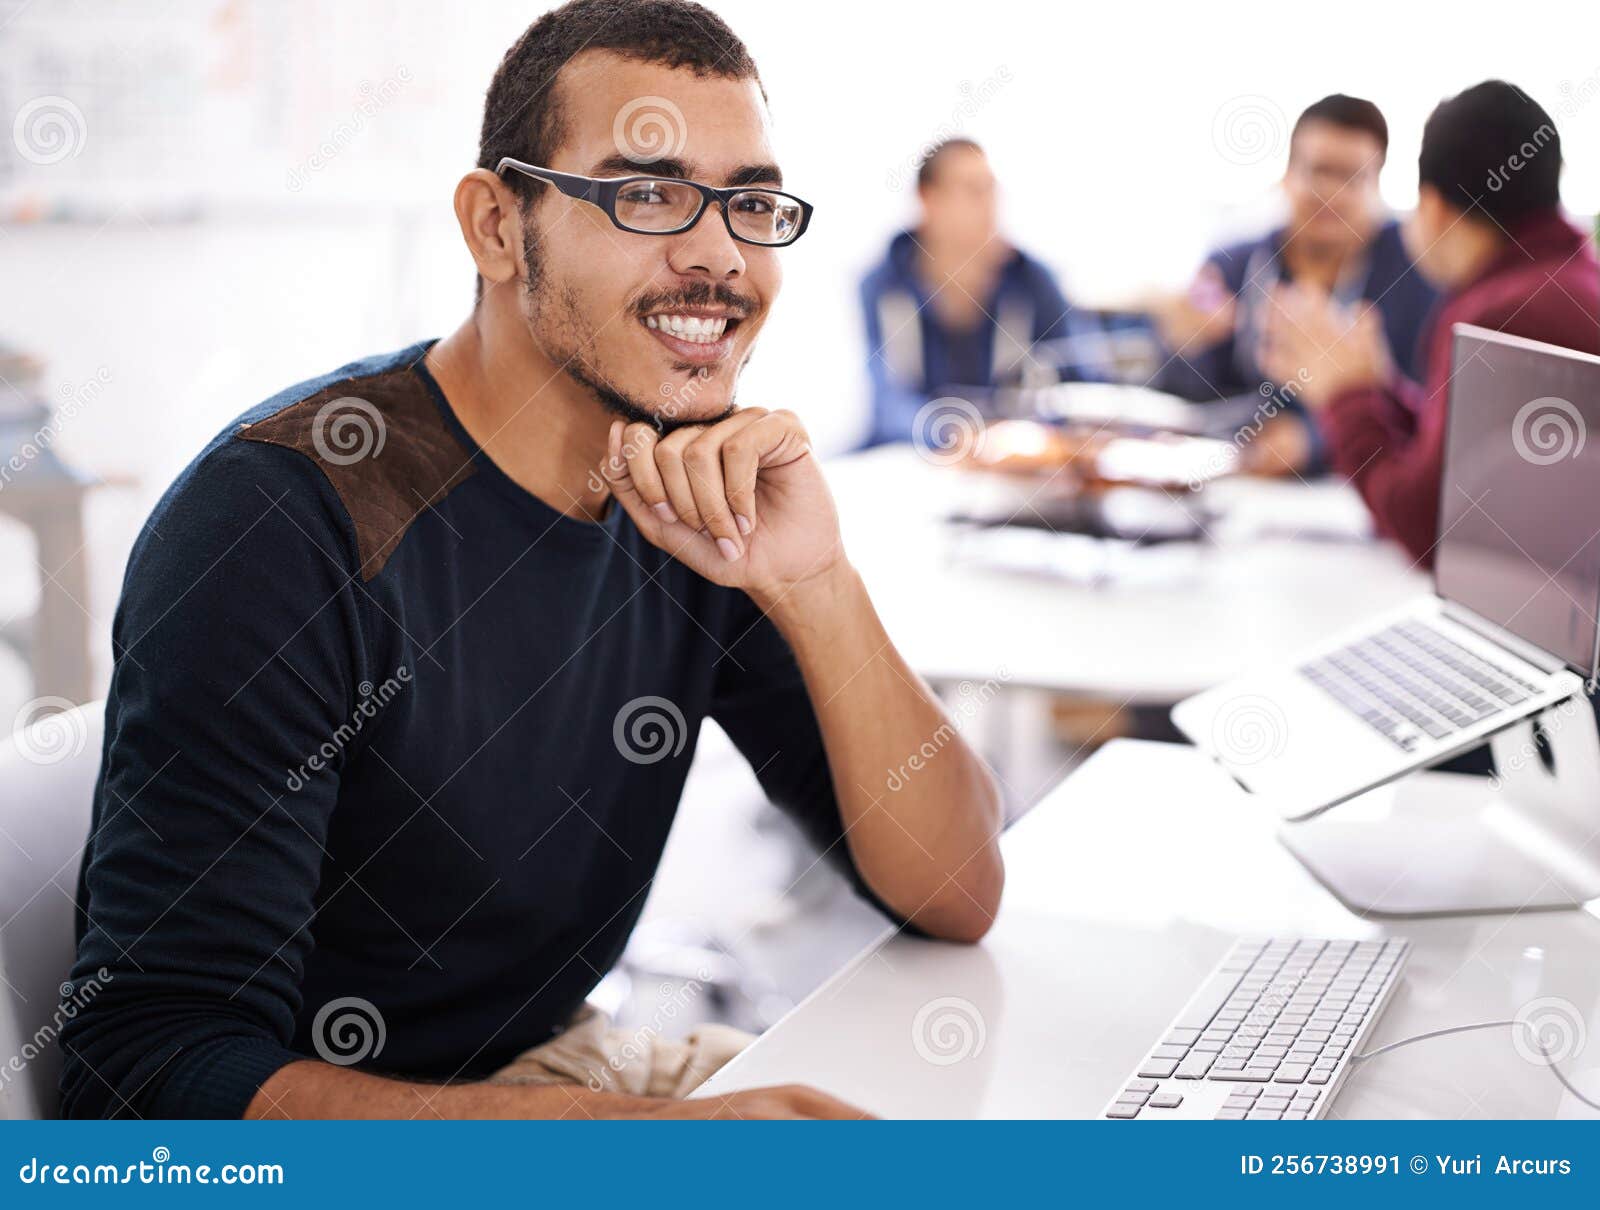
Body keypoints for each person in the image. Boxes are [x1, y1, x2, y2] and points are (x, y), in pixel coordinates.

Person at [59, 0, 1004, 1121]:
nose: (717, 255)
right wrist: (651, 1146)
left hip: (563, 1067)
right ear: (496, 226)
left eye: (749, 202)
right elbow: (144, 1081)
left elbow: (956, 891)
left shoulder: (689, 490)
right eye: (646, 192)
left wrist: (816, 586)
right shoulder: (283, 523)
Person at [1259, 80, 1600, 565]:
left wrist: (1346, 397)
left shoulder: (1496, 312)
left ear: (1435, 207)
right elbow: (1464, 457)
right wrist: (1375, 389)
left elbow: (1429, 528)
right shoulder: (1570, 281)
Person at [1152, 95, 1439, 475]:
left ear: (1377, 186)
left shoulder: (1416, 278)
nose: (1333, 194)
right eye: (1320, 172)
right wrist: (1185, 347)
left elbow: (1423, 416)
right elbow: (1184, 400)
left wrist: (1315, 440)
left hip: (1355, 493)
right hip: (1238, 482)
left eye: (1353, 178)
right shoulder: (1233, 268)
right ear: (1287, 176)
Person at [859, 138, 1113, 447]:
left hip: (1013, 458)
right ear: (928, 199)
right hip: (914, 456)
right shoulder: (885, 283)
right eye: (972, 190)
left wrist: (1019, 436)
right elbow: (888, 403)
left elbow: (1080, 385)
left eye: (992, 189)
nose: (989, 205)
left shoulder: (1031, 280)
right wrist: (952, 437)